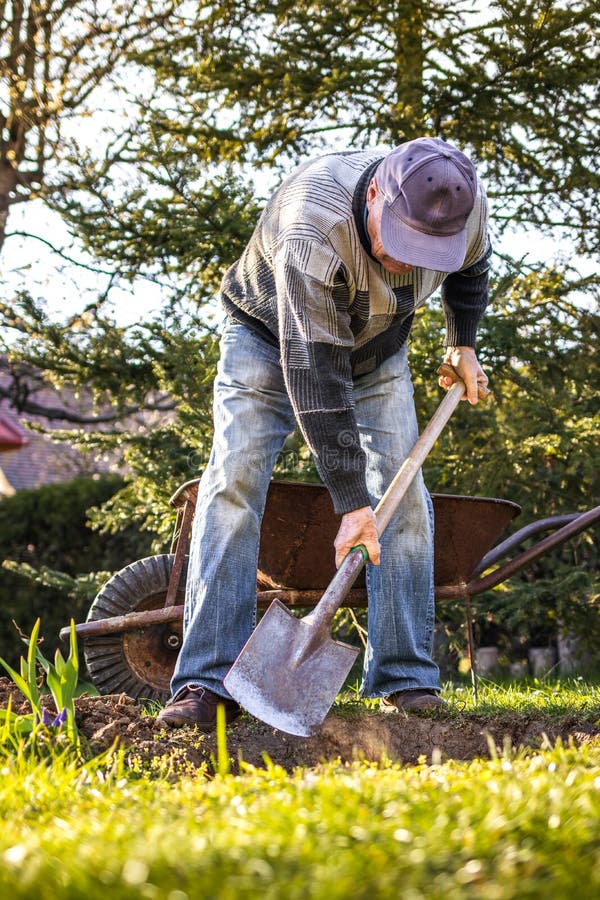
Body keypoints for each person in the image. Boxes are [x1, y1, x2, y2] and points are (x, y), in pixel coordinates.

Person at [157, 136, 491, 730]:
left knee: (406, 499)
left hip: (379, 349)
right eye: (402, 242)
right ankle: (207, 680)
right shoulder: (314, 223)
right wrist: (352, 506)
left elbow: (471, 268)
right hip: (264, 338)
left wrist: (461, 342)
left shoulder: (460, 208)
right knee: (233, 483)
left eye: (426, 251)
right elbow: (316, 377)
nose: (408, 263)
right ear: (374, 196)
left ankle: (405, 678)